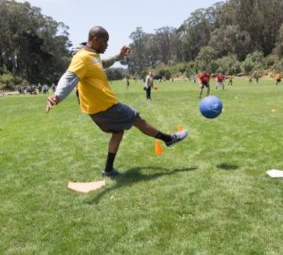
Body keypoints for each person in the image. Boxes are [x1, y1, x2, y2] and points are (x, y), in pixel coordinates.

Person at [46, 26, 188, 177]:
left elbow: (103, 63)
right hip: (105, 105)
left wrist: (119, 56)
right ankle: (168, 139)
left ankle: (108, 170)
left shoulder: (93, 55)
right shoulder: (82, 57)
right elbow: (69, 76)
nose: (107, 45)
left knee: (118, 132)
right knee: (137, 118)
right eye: (105, 42)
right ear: (94, 40)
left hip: (98, 107)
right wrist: (57, 95)